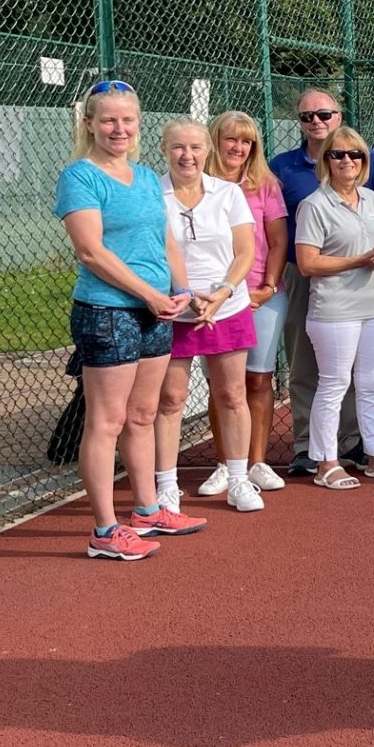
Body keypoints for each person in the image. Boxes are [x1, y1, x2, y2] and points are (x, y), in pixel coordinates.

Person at [53, 80, 202, 559]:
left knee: (142, 415)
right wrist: (148, 294)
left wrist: (180, 293)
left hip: (153, 310)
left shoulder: (142, 177)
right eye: (109, 120)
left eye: (127, 120)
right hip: (107, 311)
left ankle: (148, 509)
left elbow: (165, 242)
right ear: (90, 124)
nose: (119, 128)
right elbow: (90, 251)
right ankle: (103, 531)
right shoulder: (80, 176)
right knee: (107, 421)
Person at [272, 89, 374, 477]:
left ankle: (352, 442)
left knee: (361, 374)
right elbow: (275, 228)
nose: (317, 121)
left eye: (324, 114)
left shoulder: (371, 165)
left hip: (364, 284)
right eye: (308, 116)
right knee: (310, 367)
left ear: (338, 116)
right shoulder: (283, 166)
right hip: (304, 272)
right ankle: (310, 446)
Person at [153, 120, 261, 516]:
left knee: (232, 395)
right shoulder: (153, 193)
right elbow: (156, 250)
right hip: (172, 311)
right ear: (165, 149)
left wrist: (221, 293)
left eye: (196, 147)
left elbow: (244, 253)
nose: (187, 155)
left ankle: (238, 479)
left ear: (207, 151)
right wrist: (182, 293)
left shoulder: (229, 193)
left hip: (225, 308)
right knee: (170, 399)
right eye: (178, 147)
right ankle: (166, 487)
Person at [295, 124, 374, 488]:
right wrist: (360, 260)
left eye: (355, 154)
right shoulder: (313, 205)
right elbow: (307, 264)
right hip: (334, 309)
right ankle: (326, 462)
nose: (347, 160)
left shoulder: (372, 199)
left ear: (364, 160)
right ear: (326, 160)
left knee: (371, 382)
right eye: (338, 154)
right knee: (333, 383)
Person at [202, 110, 288, 495]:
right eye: (231, 139)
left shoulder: (265, 184)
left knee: (258, 378)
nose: (238, 147)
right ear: (216, 142)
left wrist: (267, 286)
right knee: (220, 384)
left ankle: (256, 462)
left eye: (246, 141)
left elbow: (278, 240)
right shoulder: (197, 184)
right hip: (213, 300)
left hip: (261, 295)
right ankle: (225, 464)